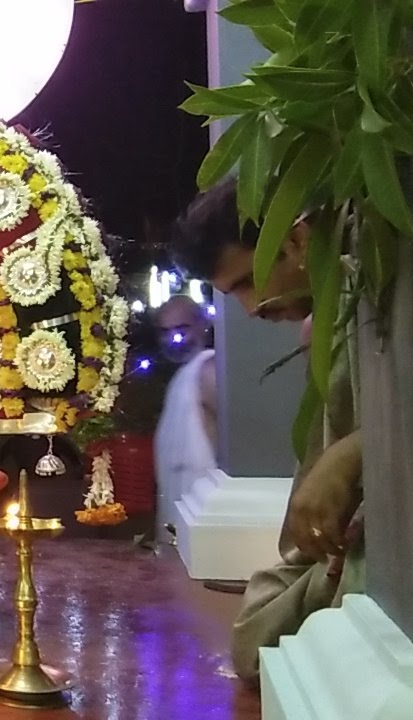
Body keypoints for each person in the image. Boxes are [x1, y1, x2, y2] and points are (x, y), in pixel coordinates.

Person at [171, 177, 363, 684]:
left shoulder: (379, 299)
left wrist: (354, 453)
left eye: (245, 285)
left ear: (296, 240)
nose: (250, 310)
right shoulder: (330, 320)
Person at [151, 295, 217, 539]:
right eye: (165, 331)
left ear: (204, 325)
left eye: (182, 329)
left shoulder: (209, 369)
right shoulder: (181, 378)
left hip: (206, 530)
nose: (173, 339)